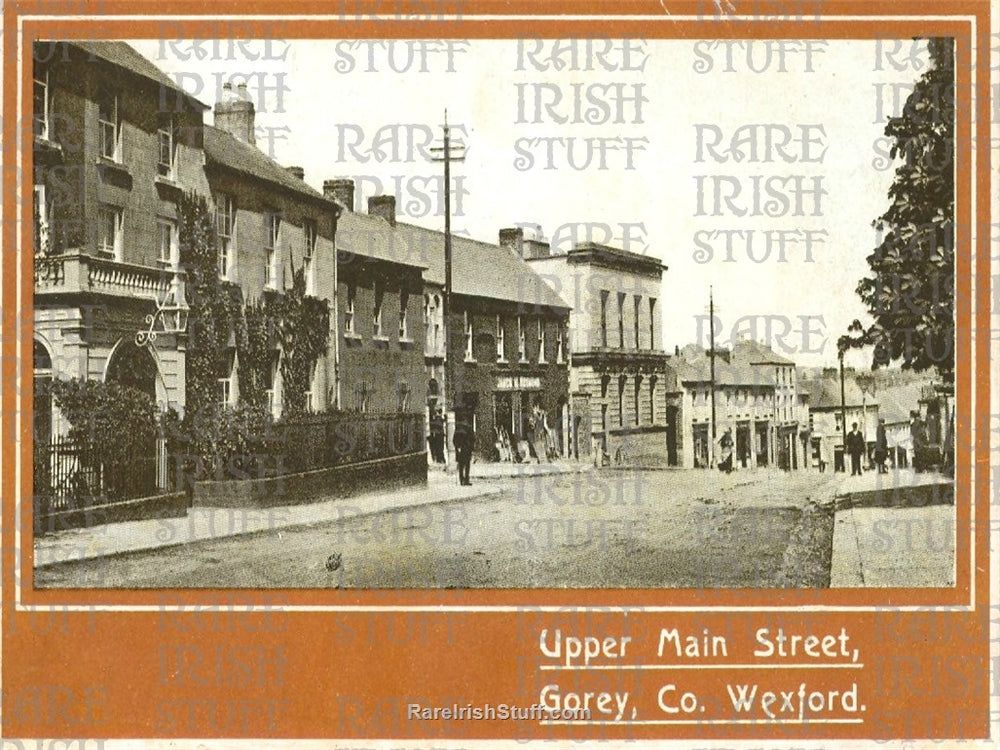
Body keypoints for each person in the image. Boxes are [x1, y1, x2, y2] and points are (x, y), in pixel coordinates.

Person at [453, 413, 474, 486]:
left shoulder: (458, 429)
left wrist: (457, 447)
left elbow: (454, 440)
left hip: (461, 449)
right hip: (466, 449)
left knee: (461, 465)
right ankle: (466, 480)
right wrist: (471, 448)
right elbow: (473, 439)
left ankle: (462, 480)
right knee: (466, 465)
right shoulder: (469, 428)